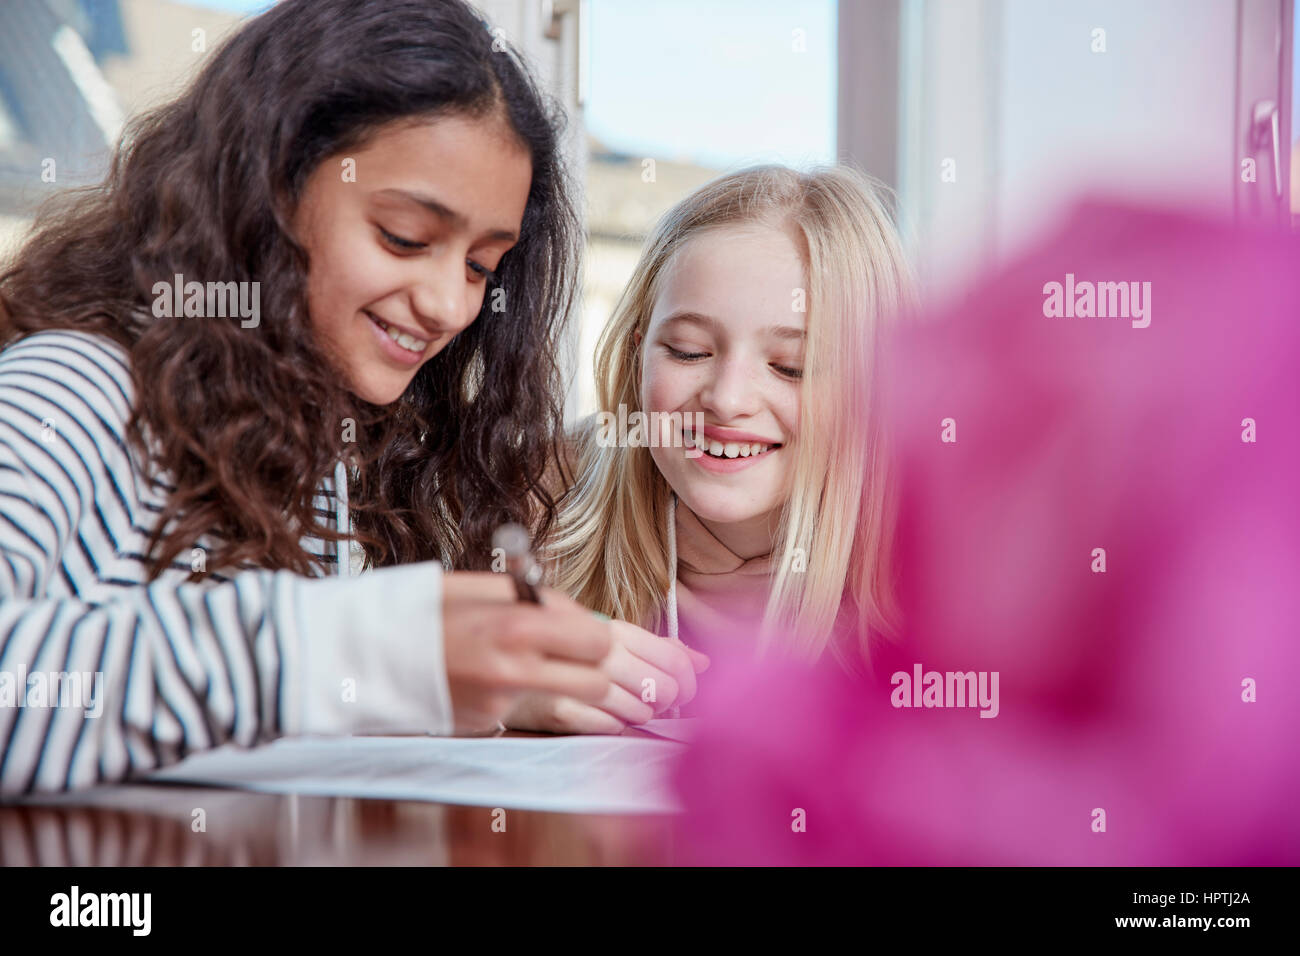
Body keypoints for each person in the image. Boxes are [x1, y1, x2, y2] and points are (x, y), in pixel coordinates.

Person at [0, 0, 617, 796]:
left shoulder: (312, 448)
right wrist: (355, 647)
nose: (449, 306)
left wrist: (474, 686)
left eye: (479, 267)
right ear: (268, 190)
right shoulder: (76, 389)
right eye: (403, 236)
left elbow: (239, 721)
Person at [506, 164, 914, 732]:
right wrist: (491, 696)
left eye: (791, 367)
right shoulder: (536, 500)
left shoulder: (941, 573)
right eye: (689, 352)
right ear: (637, 351)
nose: (726, 400)